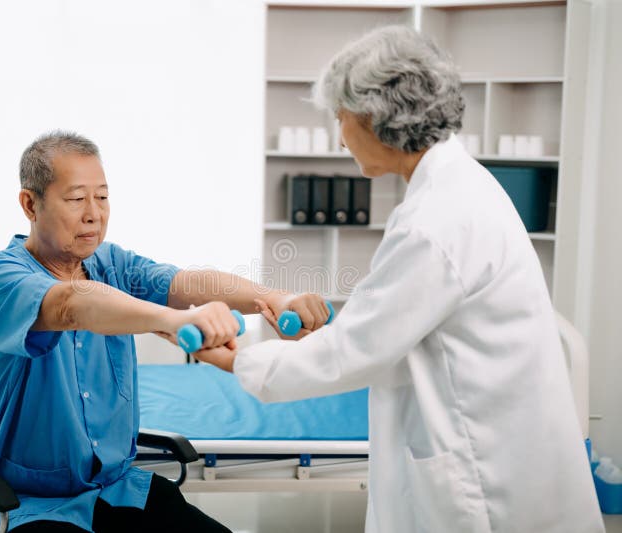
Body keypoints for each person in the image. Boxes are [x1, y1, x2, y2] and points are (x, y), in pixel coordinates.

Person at [195, 26, 604, 532]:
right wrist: (331, 333)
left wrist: (239, 362)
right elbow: (397, 329)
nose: (339, 133)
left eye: (340, 117)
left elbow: (355, 353)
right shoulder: (454, 189)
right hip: (491, 440)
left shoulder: (437, 219)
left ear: (374, 116)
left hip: (486, 474)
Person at [0, 130, 329, 532]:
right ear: (29, 204)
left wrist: (274, 298)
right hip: (32, 506)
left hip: (118, 490)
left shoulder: (111, 263)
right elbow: (71, 304)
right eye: (75, 199)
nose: (94, 213)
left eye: (102, 197)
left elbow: (184, 284)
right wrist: (171, 321)